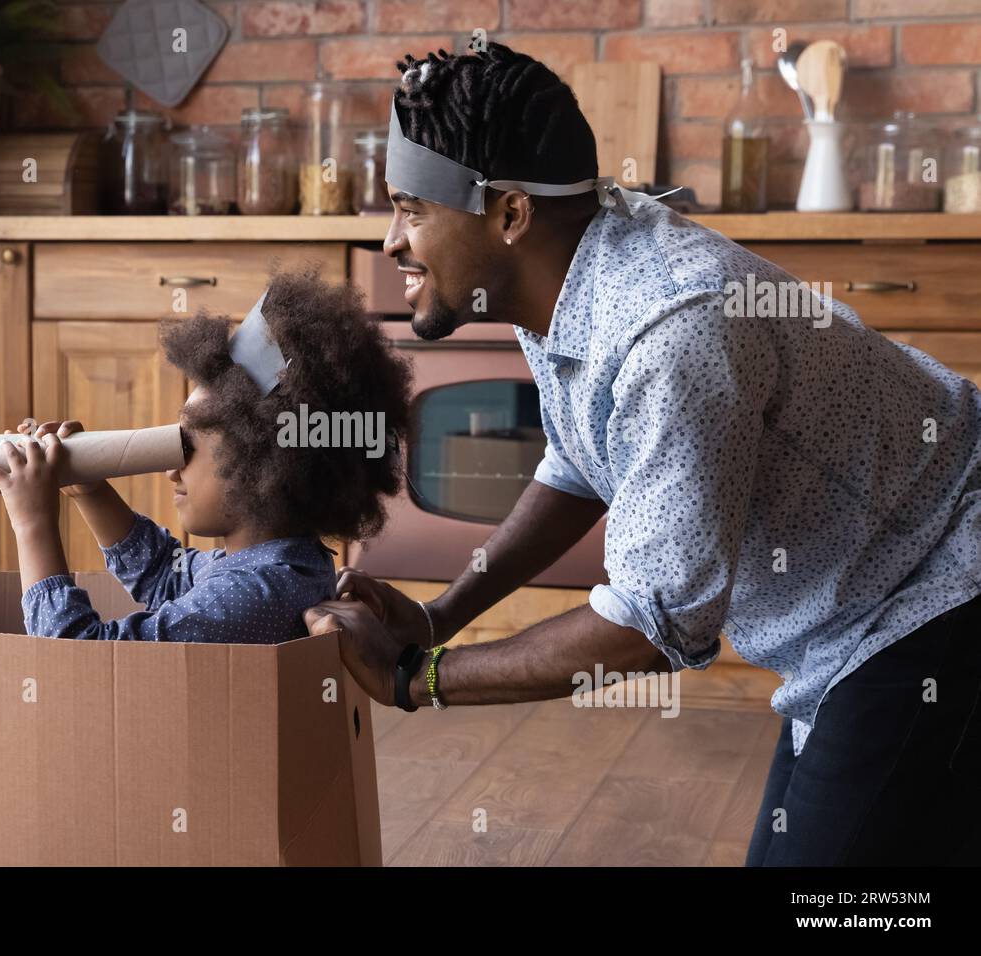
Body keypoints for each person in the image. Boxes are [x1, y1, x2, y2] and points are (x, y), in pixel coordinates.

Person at [304, 41, 981, 865]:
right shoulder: (558, 272)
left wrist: (419, 678)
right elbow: (583, 462)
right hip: (859, 611)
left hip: (939, 591)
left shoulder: (669, 327)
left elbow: (650, 625)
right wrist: (440, 616)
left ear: (511, 214)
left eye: (412, 209)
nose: (390, 243)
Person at [0, 268, 412, 643]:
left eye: (186, 447)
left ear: (260, 467)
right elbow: (166, 574)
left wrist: (32, 524)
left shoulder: (257, 593)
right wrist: (90, 491)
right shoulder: (278, 564)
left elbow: (77, 662)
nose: (170, 470)